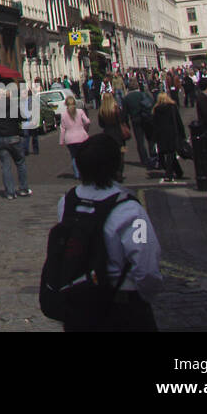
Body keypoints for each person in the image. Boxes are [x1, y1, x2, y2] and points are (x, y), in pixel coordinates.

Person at [53, 134, 163, 331]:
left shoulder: (67, 203)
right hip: (122, 305)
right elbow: (146, 266)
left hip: (80, 303)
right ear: (115, 166)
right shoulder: (130, 210)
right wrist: (145, 297)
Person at [0, 84, 30, 199]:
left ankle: (10, 192)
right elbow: (23, 118)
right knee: (20, 163)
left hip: (0, 139)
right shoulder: (14, 107)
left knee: (5, 166)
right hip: (14, 137)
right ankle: (23, 188)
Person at [150, 91, 185, 182]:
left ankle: (178, 172)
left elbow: (154, 124)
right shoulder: (172, 107)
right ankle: (169, 174)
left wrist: (153, 138)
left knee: (167, 154)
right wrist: (182, 134)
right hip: (172, 133)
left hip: (161, 134)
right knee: (171, 153)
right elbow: (178, 121)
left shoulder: (156, 109)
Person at [122, 82, 154, 168]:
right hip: (147, 119)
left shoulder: (126, 98)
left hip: (135, 120)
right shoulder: (144, 94)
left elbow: (124, 114)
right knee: (150, 138)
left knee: (140, 141)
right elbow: (152, 104)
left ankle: (144, 160)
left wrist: (126, 125)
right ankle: (153, 156)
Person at [58, 95, 91, 179]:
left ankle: (77, 174)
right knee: (83, 156)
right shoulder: (80, 112)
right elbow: (87, 122)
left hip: (70, 139)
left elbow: (62, 129)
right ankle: (84, 172)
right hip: (81, 137)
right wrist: (85, 129)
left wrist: (61, 141)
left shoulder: (63, 114)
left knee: (74, 157)